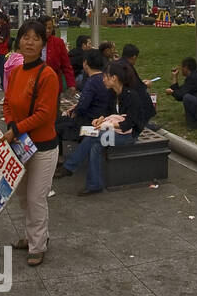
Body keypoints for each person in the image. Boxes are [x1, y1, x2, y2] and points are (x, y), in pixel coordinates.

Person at [0, 22, 67, 261]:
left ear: (43, 43)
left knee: (36, 198)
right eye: (25, 37)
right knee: (22, 196)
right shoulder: (17, 72)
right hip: (19, 145)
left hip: (42, 147)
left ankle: (38, 246)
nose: (29, 42)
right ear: (18, 42)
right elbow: (7, 102)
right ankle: (31, 236)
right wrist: (11, 125)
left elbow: (45, 114)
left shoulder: (47, 75)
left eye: (35, 38)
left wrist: (15, 129)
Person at [63, 61, 152, 196]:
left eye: (105, 77)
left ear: (114, 78)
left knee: (95, 137)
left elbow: (129, 124)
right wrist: (100, 119)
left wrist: (107, 125)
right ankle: (94, 184)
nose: (103, 79)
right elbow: (108, 112)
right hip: (114, 132)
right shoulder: (112, 94)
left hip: (128, 135)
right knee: (95, 145)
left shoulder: (131, 96)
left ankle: (70, 167)